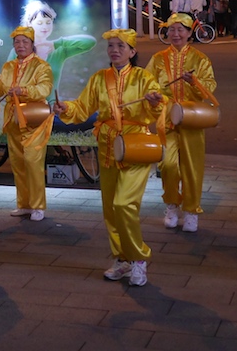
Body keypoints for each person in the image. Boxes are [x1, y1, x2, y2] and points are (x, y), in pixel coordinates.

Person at [55, 29, 165, 287]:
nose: (114, 50)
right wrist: (66, 108)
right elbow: (82, 107)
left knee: (124, 205)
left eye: (121, 46)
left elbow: (159, 105)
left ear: (132, 52)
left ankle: (138, 259)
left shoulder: (143, 77)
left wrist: (155, 101)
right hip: (107, 148)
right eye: (111, 46)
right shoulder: (99, 78)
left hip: (135, 147)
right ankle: (121, 259)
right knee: (110, 209)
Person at [145, 13, 217, 233]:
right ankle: (171, 205)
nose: (175, 34)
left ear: (189, 33)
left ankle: (191, 211)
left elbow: (210, 87)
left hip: (192, 118)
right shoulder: (158, 58)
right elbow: (148, 83)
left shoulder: (200, 59)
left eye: (180, 30)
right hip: (167, 118)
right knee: (167, 165)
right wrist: (152, 95)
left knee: (192, 167)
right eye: (171, 30)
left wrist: (194, 82)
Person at [0, 26, 54, 221]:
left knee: (33, 162)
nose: (20, 45)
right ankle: (24, 204)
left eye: (24, 42)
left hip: (34, 119)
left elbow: (45, 88)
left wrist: (24, 91)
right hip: (14, 119)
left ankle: (38, 205)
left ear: (32, 45)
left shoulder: (41, 66)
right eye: (17, 42)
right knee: (18, 163)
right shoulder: (8, 67)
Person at [15, 0, 95, 99]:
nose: (45, 27)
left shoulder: (58, 50)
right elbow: (8, 81)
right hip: (26, 108)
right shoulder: (18, 51)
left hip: (51, 109)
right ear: (29, 24)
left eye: (48, 22)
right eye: (39, 23)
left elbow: (90, 42)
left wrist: (57, 43)